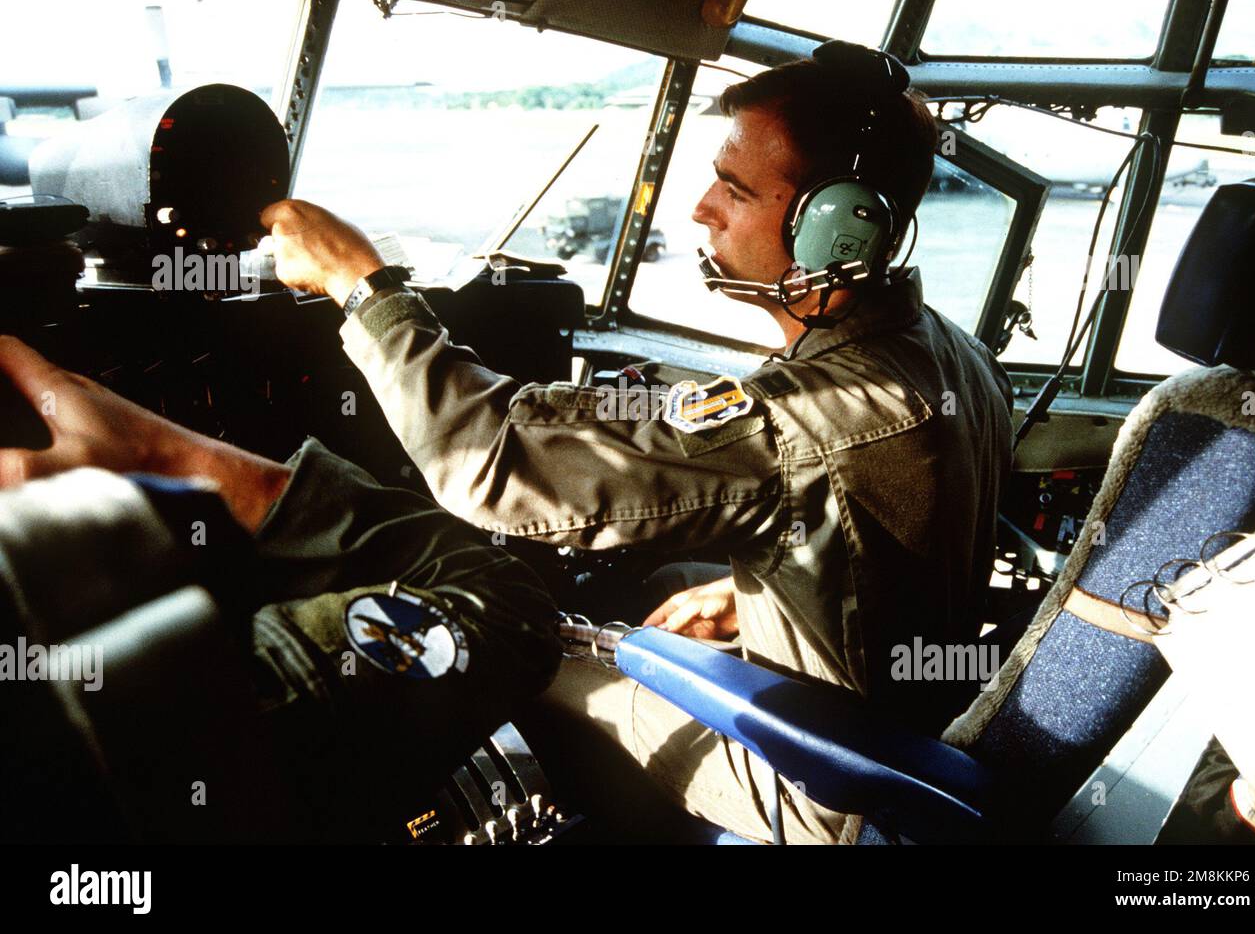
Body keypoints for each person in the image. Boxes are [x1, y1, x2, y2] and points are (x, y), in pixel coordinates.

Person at [0, 42, 1012, 843]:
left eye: (737, 190)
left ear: (840, 232)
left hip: (813, 786)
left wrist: (364, 283)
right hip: (886, 724)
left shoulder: (822, 407)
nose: (700, 206)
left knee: (517, 639)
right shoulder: (947, 355)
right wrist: (749, 590)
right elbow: (864, 528)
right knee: (621, 604)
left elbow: (488, 464)